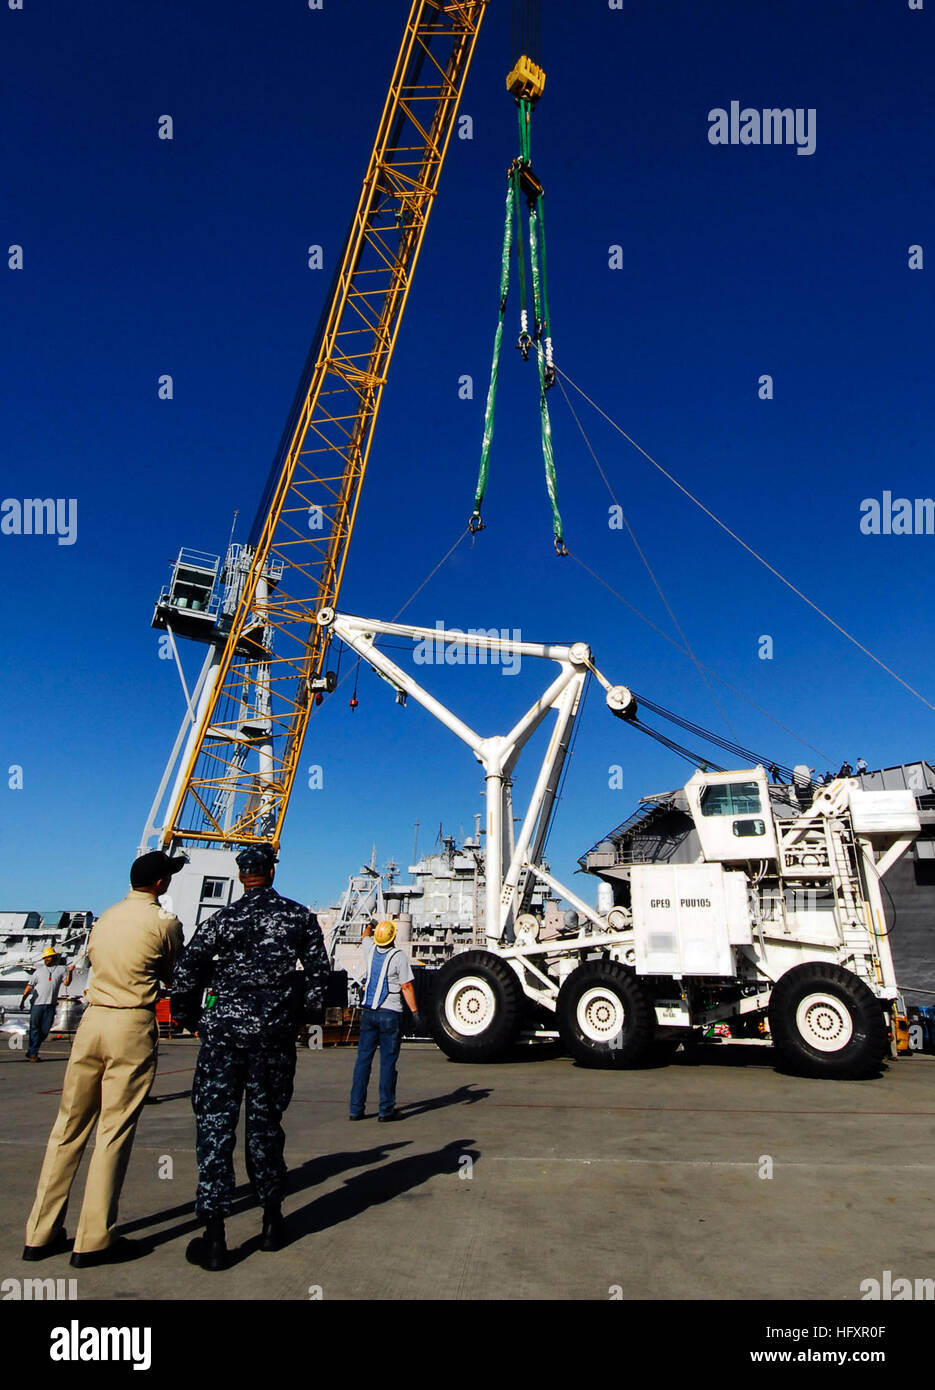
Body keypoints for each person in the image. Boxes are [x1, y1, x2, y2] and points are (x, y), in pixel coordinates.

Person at [22, 850, 186, 1267]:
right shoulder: (164, 922)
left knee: (68, 1127)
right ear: (161, 884)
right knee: (112, 1131)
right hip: (131, 1023)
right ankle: (93, 1240)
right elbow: (174, 973)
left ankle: (39, 1234)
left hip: (91, 1022)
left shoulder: (105, 919)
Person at [171, 844, 329, 1271]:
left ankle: (216, 1237)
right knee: (265, 1128)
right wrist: (302, 1018)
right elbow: (318, 978)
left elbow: (186, 970)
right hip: (273, 1040)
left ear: (243, 876)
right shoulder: (299, 917)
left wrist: (189, 1018)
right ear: (271, 873)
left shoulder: (223, 919)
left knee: (215, 1130)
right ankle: (273, 1221)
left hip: (223, 1039)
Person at [349, 919, 420, 1124]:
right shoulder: (398, 956)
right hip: (390, 1013)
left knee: (363, 1061)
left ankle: (355, 1109)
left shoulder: (369, 949)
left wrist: (370, 926)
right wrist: (415, 1012)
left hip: (368, 1012)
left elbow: (364, 937)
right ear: (393, 937)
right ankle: (385, 1110)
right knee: (388, 1063)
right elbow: (406, 986)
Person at [21, 947, 75, 1061]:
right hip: (37, 1004)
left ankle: (32, 1050)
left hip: (50, 1005)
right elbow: (29, 987)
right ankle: (33, 1054)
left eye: (49, 957)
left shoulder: (61, 970)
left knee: (45, 1030)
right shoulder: (38, 971)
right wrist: (22, 1001)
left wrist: (70, 972)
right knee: (34, 1029)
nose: (46, 959)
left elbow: (67, 983)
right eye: (45, 957)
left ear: (54, 957)